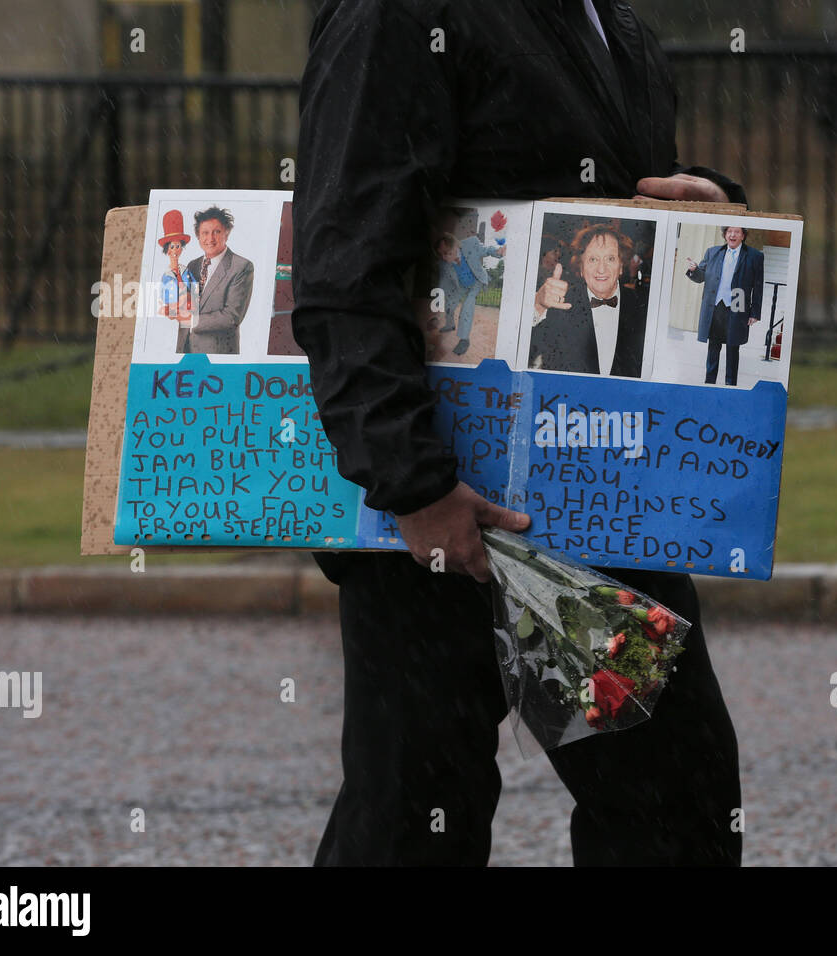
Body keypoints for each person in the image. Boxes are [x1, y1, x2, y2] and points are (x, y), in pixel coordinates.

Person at [292, 0, 747, 866]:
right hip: (433, 518)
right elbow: (346, 259)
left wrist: (707, 202)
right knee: (414, 821)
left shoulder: (612, 23)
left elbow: (578, 187)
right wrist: (414, 484)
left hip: (595, 510)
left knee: (673, 802)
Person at [529, 221, 647, 377]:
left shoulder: (643, 306)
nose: (601, 269)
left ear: (620, 266)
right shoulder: (560, 304)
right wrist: (538, 305)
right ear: (581, 267)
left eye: (610, 259)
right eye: (593, 259)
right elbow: (526, 354)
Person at [684, 225, 764, 386]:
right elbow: (701, 277)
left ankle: (730, 385)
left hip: (737, 302)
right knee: (713, 346)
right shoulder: (713, 252)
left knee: (733, 348)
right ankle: (709, 382)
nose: (732, 235)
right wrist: (694, 270)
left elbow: (758, 286)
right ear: (725, 234)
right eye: (729, 232)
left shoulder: (755, 256)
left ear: (743, 235)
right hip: (715, 304)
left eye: (737, 232)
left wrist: (754, 312)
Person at [177, 206, 254, 355]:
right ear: (198, 236)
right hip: (185, 352)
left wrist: (192, 320)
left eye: (216, 232)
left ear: (227, 232)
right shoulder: (193, 265)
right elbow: (187, 306)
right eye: (205, 233)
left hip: (217, 356)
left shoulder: (241, 267)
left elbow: (231, 317)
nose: (210, 239)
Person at [434, 223, 504, 357]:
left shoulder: (471, 243)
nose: (444, 258)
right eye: (441, 255)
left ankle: (464, 339)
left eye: (446, 253)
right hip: (461, 285)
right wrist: (439, 299)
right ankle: (449, 324)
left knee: (467, 305)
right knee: (449, 304)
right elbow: (443, 282)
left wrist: (497, 252)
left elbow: (486, 250)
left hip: (476, 281)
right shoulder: (444, 263)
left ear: (455, 246)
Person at [155, 210, 196, 332]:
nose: (175, 250)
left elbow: (194, 287)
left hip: (190, 306)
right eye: (172, 247)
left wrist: (192, 296)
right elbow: (164, 295)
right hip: (175, 309)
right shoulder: (166, 276)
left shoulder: (185, 271)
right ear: (167, 250)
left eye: (178, 246)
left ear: (181, 249)